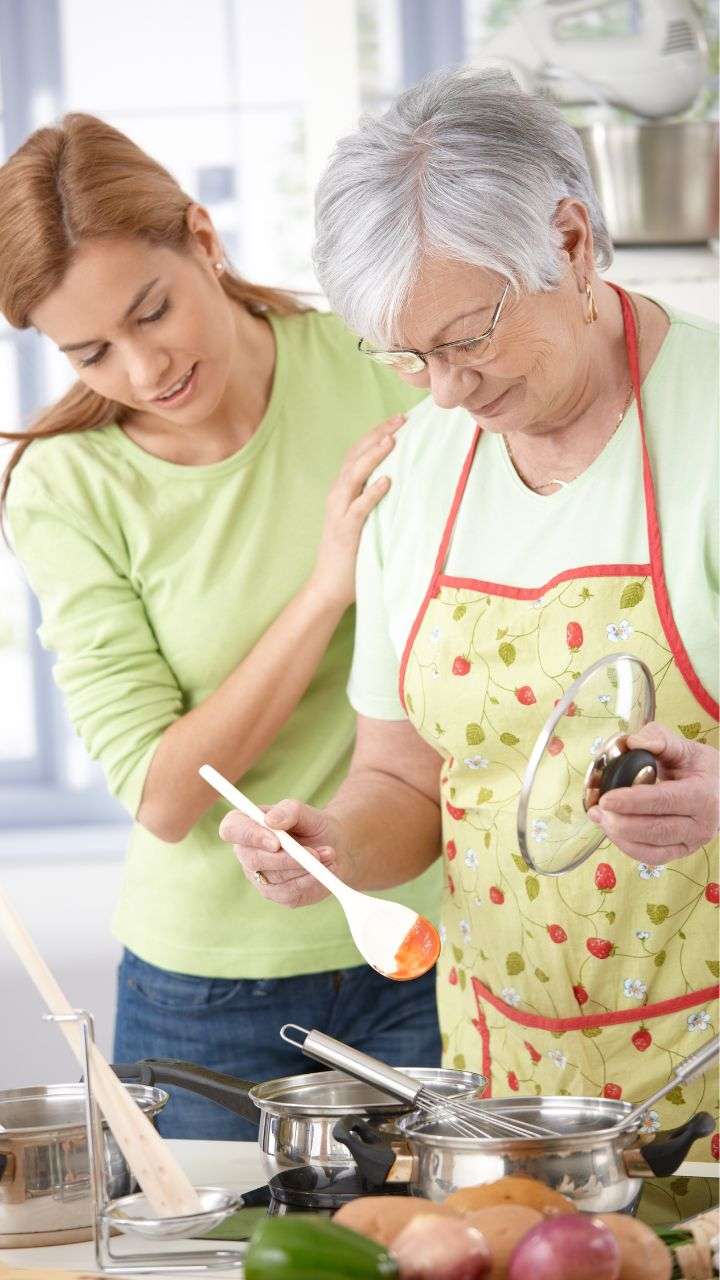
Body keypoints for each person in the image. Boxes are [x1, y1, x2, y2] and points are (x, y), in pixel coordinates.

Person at [219, 69, 719, 1221]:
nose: (449, 389)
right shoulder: (419, 470)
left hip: (708, 1076)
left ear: (572, 238)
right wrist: (335, 844)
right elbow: (407, 776)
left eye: (467, 335)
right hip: (509, 1100)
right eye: (408, 356)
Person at [0, 113, 441, 1138]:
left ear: (204, 237)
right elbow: (161, 793)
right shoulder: (69, 485)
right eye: (91, 350)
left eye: (151, 312)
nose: (143, 369)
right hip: (210, 991)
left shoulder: (377, 366)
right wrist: (330, 581)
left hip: (423, 942)